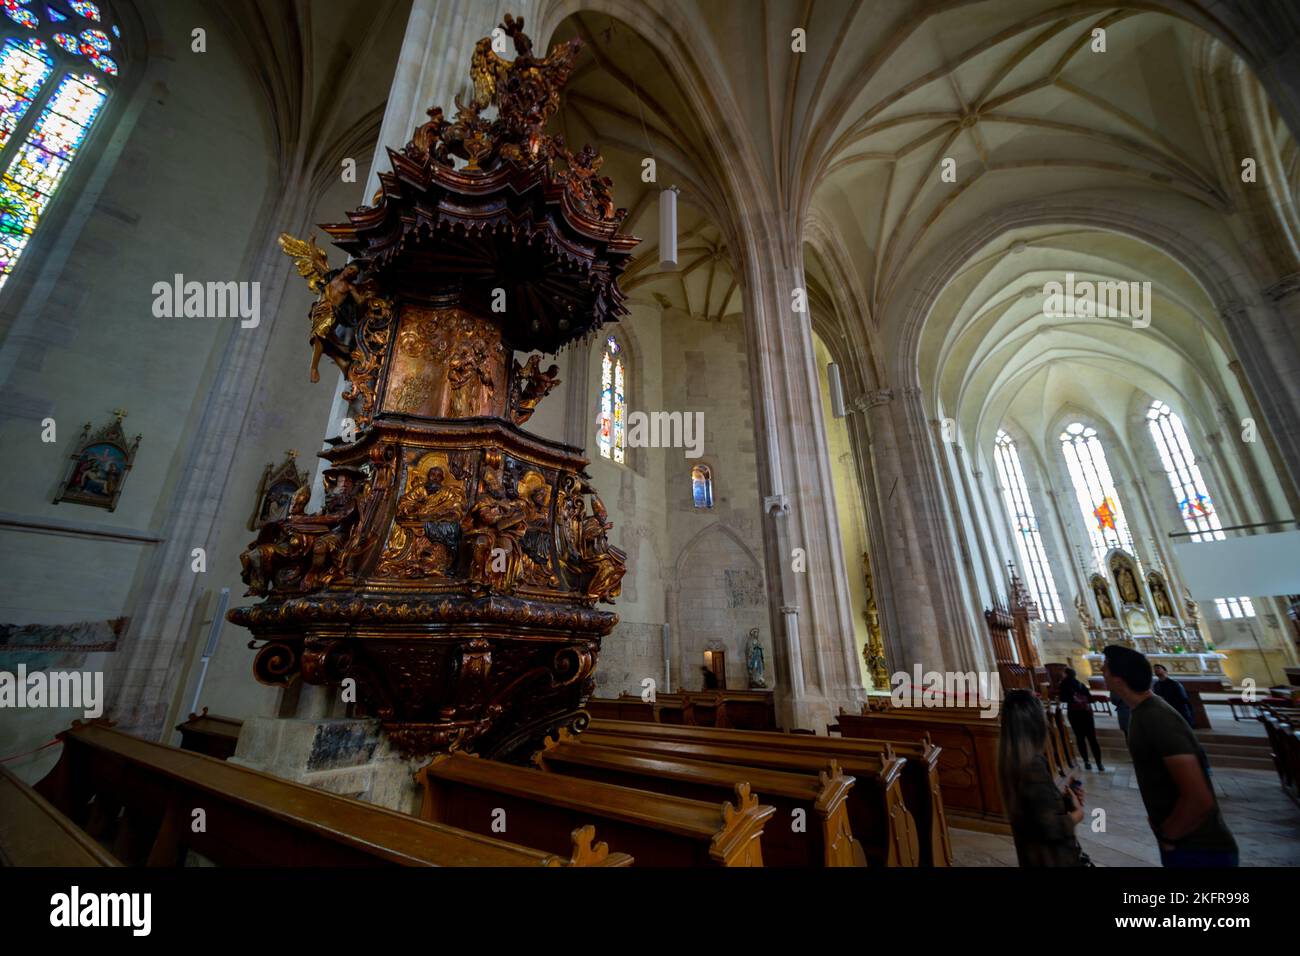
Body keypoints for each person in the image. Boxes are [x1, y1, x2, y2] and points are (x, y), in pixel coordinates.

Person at [1102, 645, 1238, 867]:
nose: (1102, 674)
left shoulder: (1157, 716)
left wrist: (1168, 835)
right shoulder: (1142, 712)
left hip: (1199, 849)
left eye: (1105, 669)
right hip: (1185, 843)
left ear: (1118, 679)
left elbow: (1199, 797)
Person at [997, 689, 1090, 867]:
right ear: (1035, 724)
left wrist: (1064, 801)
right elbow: (1051, 828)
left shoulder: (1011, 759)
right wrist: (1078, 814)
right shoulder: (1032, 766)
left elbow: (1034, 813)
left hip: (1033, 856)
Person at [1057, 667, 1105, 771]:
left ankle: (1086, 762)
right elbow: (1090, 699)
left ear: (1066, 674)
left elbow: (1062, 698)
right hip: (1086, 713)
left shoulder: (1064, 684)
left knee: (1080, 738)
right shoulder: (1080, 684)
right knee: (1092, 738)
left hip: (1074, 713)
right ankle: (1099, 763)